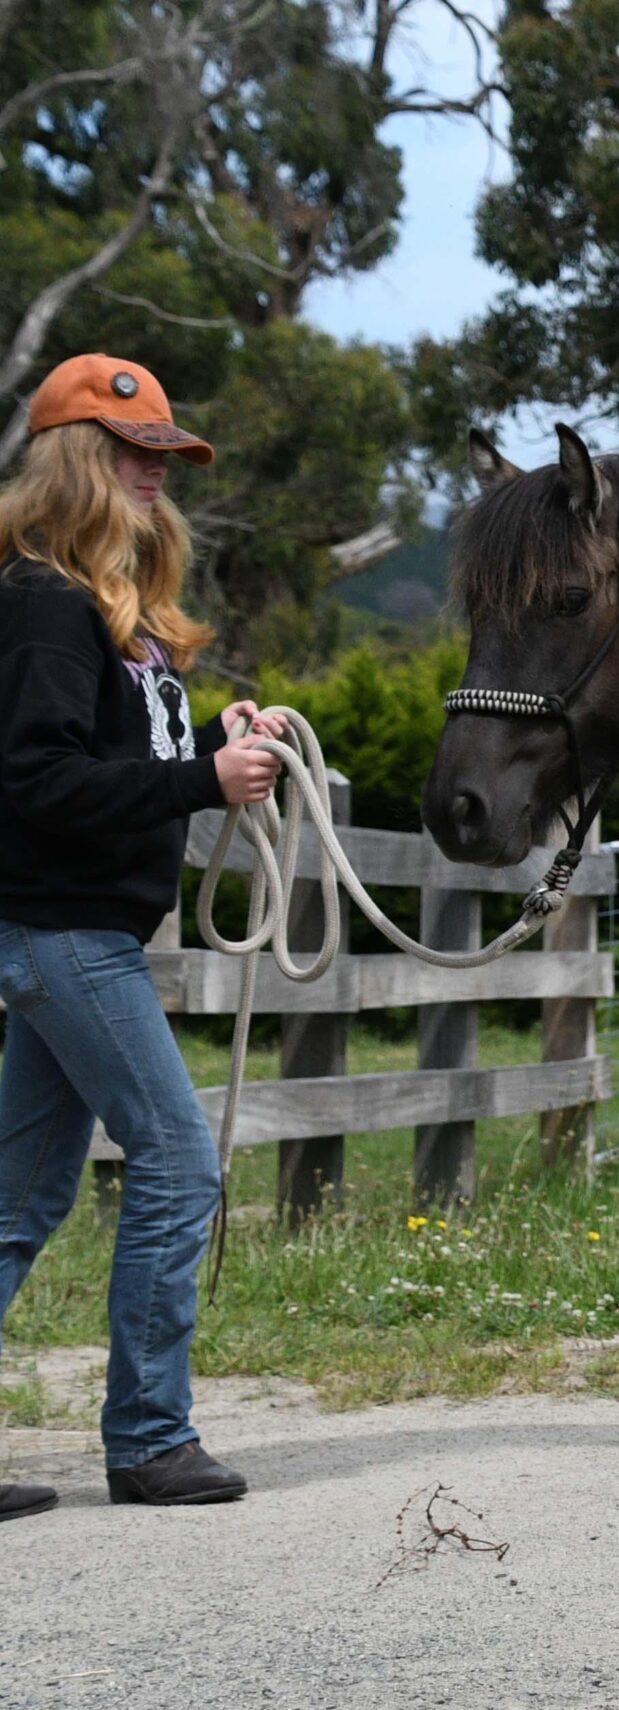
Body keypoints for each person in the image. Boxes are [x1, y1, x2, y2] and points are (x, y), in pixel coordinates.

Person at [0, 354, 288, 1519]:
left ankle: (147, 1433)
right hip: (67, 933)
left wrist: (208, 741)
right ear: (77, 460)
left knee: (18, 1203)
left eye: (164, 457)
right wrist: (202, 784)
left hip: (69, 933)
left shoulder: (98, 614)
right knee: (178, 1161)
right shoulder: (42, 607)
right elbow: (36, 780)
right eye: (133, 454)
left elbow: (111, 759)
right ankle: (150, 1439)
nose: (154, 475)